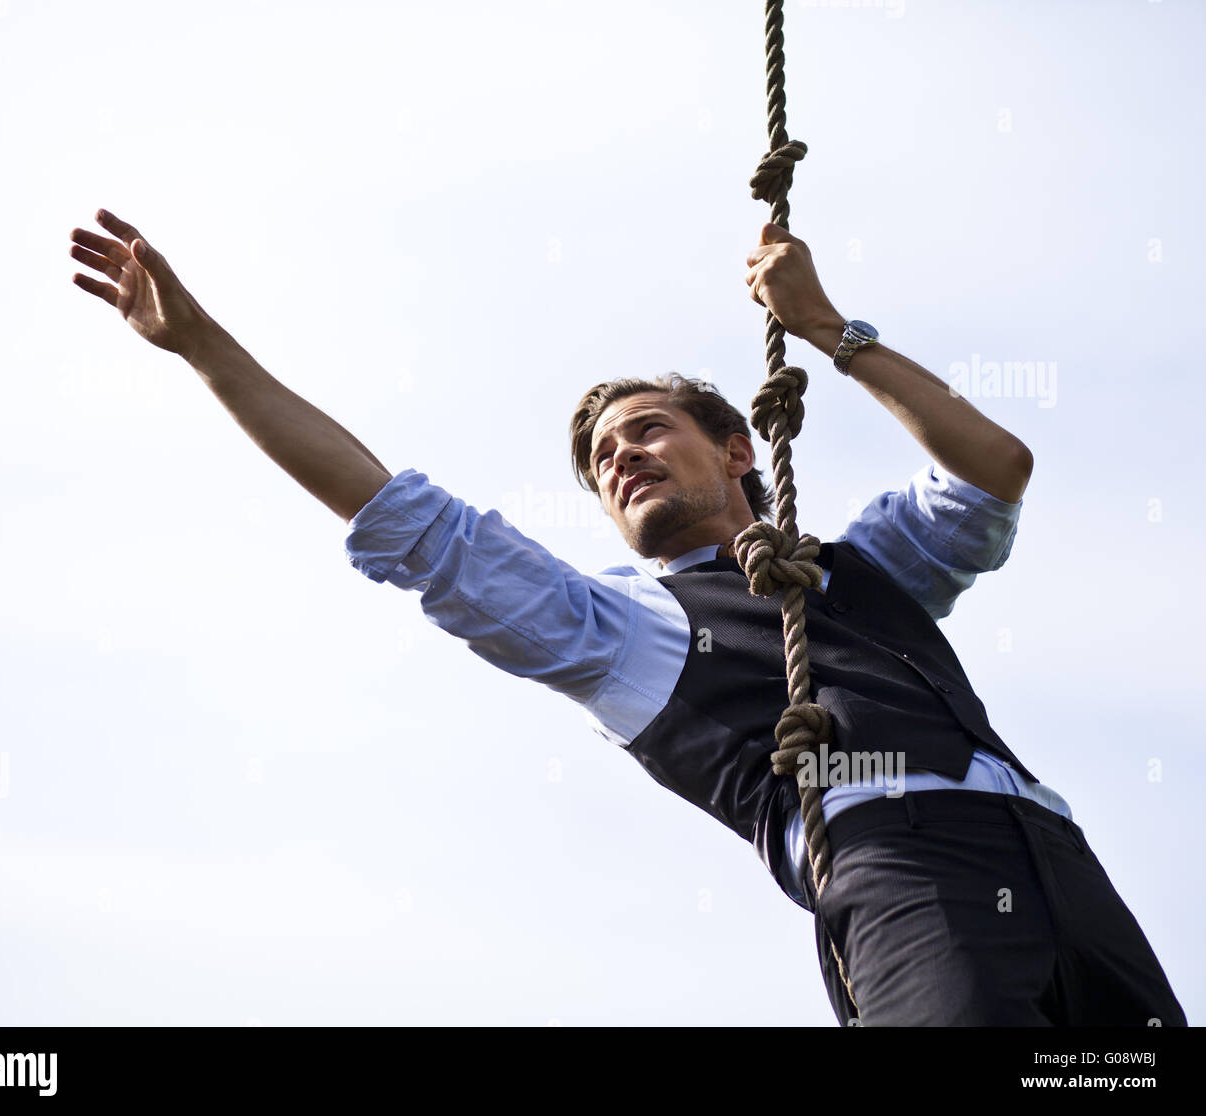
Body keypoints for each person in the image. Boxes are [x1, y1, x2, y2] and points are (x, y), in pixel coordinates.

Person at [69, 210, 1187, 1027]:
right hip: (897, 875)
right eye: (604, 460)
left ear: (738, 449)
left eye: (648, 430)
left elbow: (994, 472)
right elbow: (393, 510)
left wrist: (830, 330)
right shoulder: (618, 633)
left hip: (1062, 864)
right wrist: (204, 346)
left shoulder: (860, 569)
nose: (623, 457)